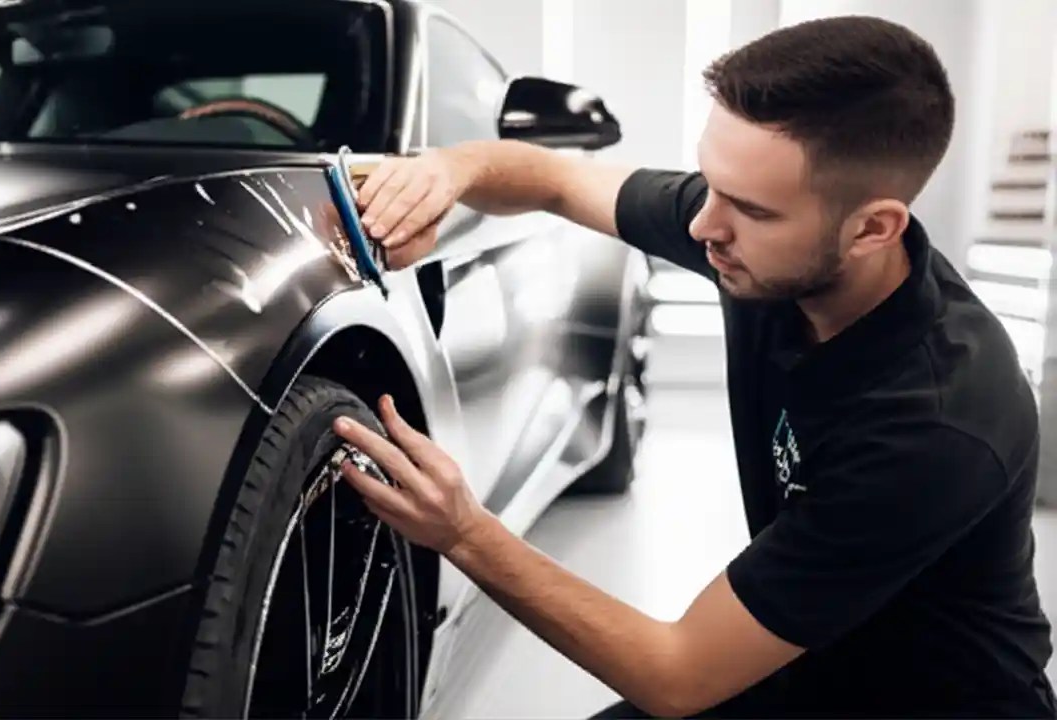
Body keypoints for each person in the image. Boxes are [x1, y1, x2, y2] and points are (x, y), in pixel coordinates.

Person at [328, 13, 1057, 719]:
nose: (704, 225)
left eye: (749, 209)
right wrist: (446, 171)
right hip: (811, 663)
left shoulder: (936, 424)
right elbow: (551, 178)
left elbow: (674, 676)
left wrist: (462, 532)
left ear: (873, 228)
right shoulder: (759, 236)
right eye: (709, 183)